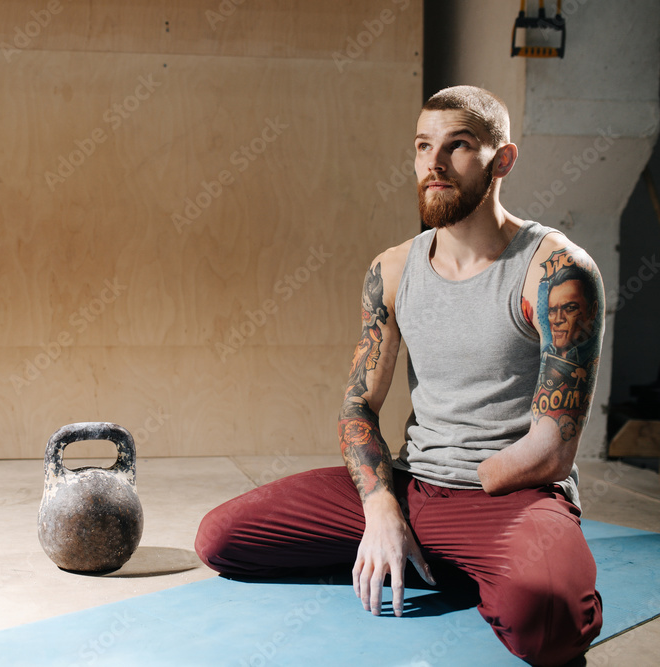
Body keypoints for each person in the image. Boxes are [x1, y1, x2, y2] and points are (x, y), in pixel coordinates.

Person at [194, 85, 605, 666]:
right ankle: (420, 549)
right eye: (423, 146)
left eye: (458, 146)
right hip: (411, 487)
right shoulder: (392, 269)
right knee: (222, 539)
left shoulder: (556, 271)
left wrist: (471, 480)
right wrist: (382, 506)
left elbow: (553, 450)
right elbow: (358, 406)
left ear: (503, 161)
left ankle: (467, 561)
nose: (435, 164)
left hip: (508, 497)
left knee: (552, 628)